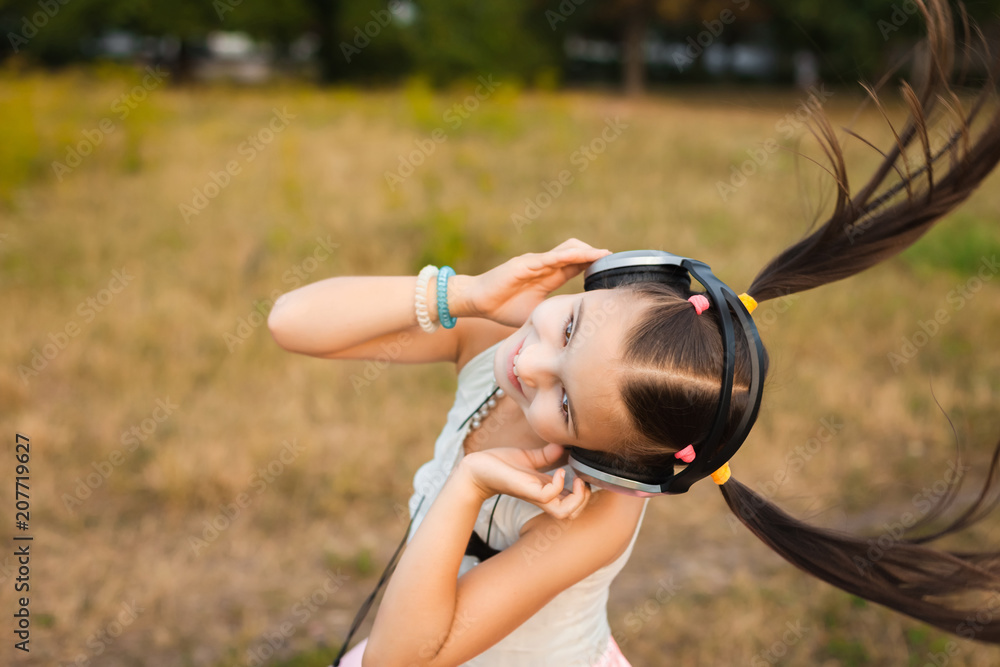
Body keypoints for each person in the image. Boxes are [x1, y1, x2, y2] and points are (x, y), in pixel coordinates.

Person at [267, 1, 1000, 664]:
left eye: (567, 405)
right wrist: (468, 291)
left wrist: (466, 485)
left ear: (614, 462)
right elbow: (292, 321)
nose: (533, 365)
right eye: (570, 325)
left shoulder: (597, 509)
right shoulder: (505, 332)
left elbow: (402, 657)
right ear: (606, 281)